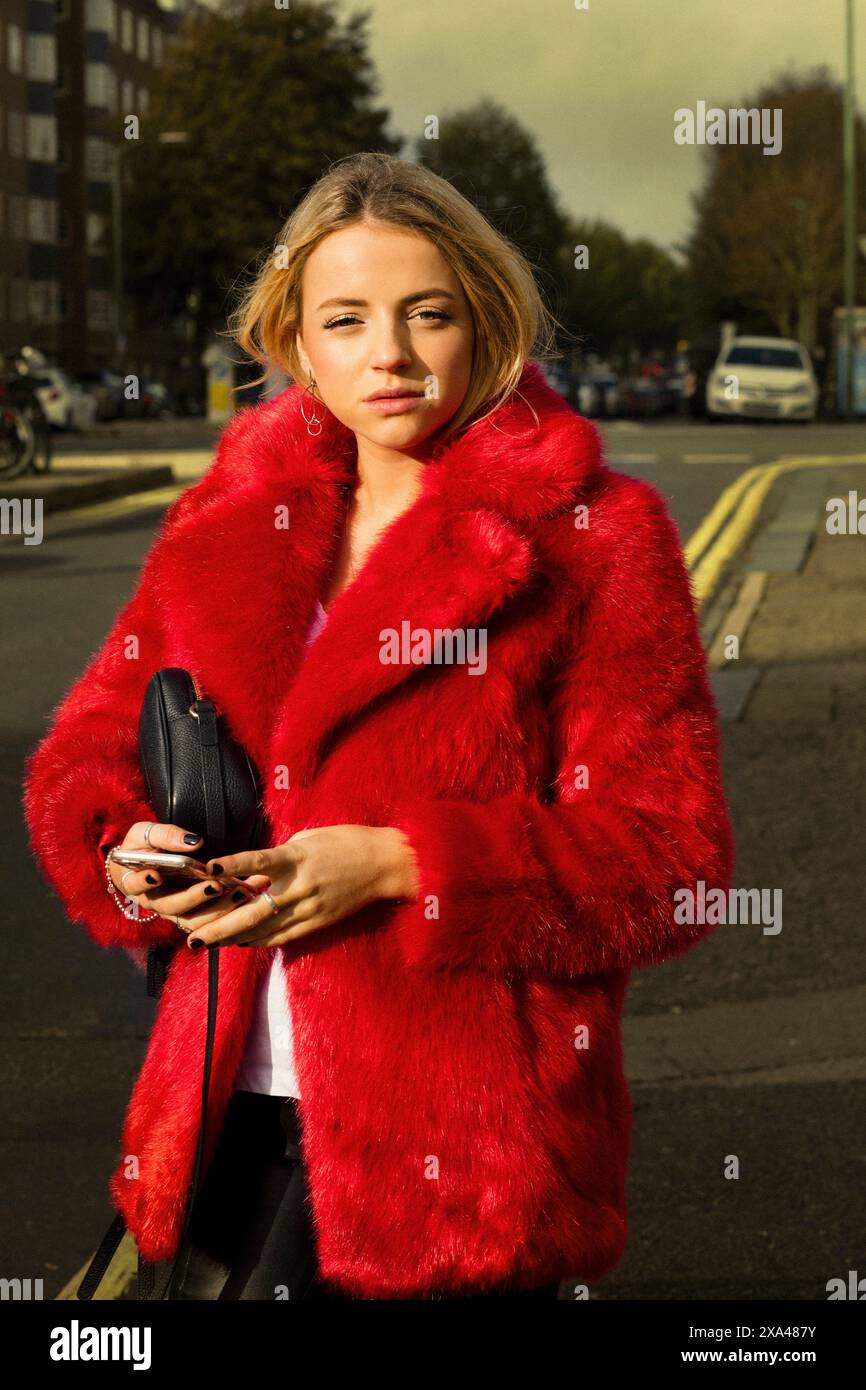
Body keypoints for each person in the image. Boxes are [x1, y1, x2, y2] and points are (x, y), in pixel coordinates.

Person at [22, 151, 734, 1301]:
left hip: (464, 1154)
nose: (388, 354)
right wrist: (123, 852)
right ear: (298, 343)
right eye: (345, 319)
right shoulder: (229, 519)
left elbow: (666, 857)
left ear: (485, 324)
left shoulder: (594, 538)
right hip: (221, 1107)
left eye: (428, 314)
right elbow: (87, 753)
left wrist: (402, 862)